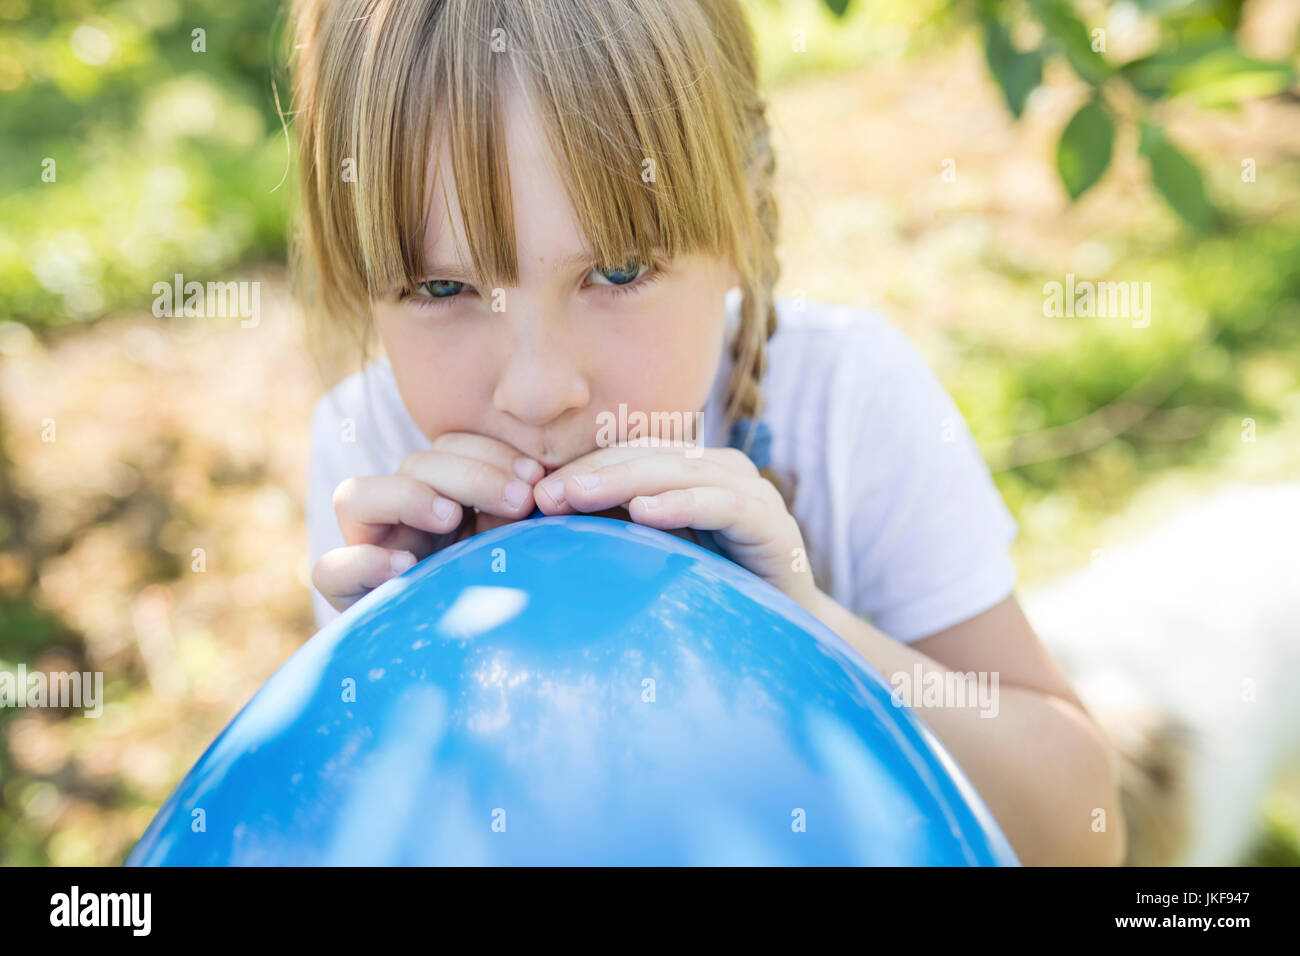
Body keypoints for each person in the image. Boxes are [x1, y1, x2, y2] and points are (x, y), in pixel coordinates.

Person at [291, 0, 1124, 866]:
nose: (537, 392)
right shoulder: (370, 449)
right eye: (440, 290)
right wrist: (384, 676)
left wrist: (809, 627)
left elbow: (1082, 831)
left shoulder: (846, 399)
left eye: (617, 271)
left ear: (744, 227)